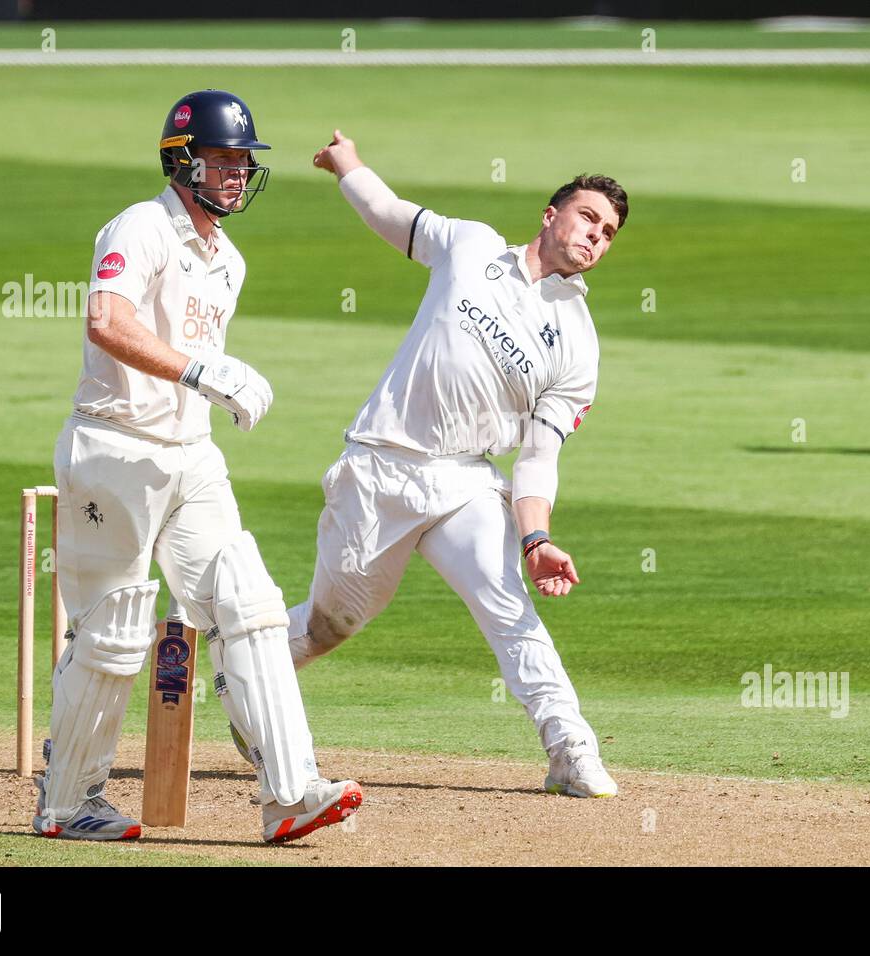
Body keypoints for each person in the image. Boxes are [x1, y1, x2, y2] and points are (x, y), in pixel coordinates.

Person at [34, 92, 361, 842]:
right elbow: (106, 321)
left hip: (192, 457)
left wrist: (205, 386)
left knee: (248, 603)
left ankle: (291, 793)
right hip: (114, 448)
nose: (238, 175)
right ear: (181, 161)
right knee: (115, 630)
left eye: (244, 163)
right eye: (222, 161)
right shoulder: (139, 227)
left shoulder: (229, 260)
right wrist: (199, 374)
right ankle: (67, 804)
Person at [263, 128, 626, 798]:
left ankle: (570, 746)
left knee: (508, 605)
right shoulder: (473, 244)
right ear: (551, 216)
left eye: (606, 233)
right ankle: (250, 678)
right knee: (328, 624)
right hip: (380, 464)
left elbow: (539, 457)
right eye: (587, 218)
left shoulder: (579, 344)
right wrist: (348, 166)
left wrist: (537, 537)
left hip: (464, 481)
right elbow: (393, 216)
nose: (594, 236)